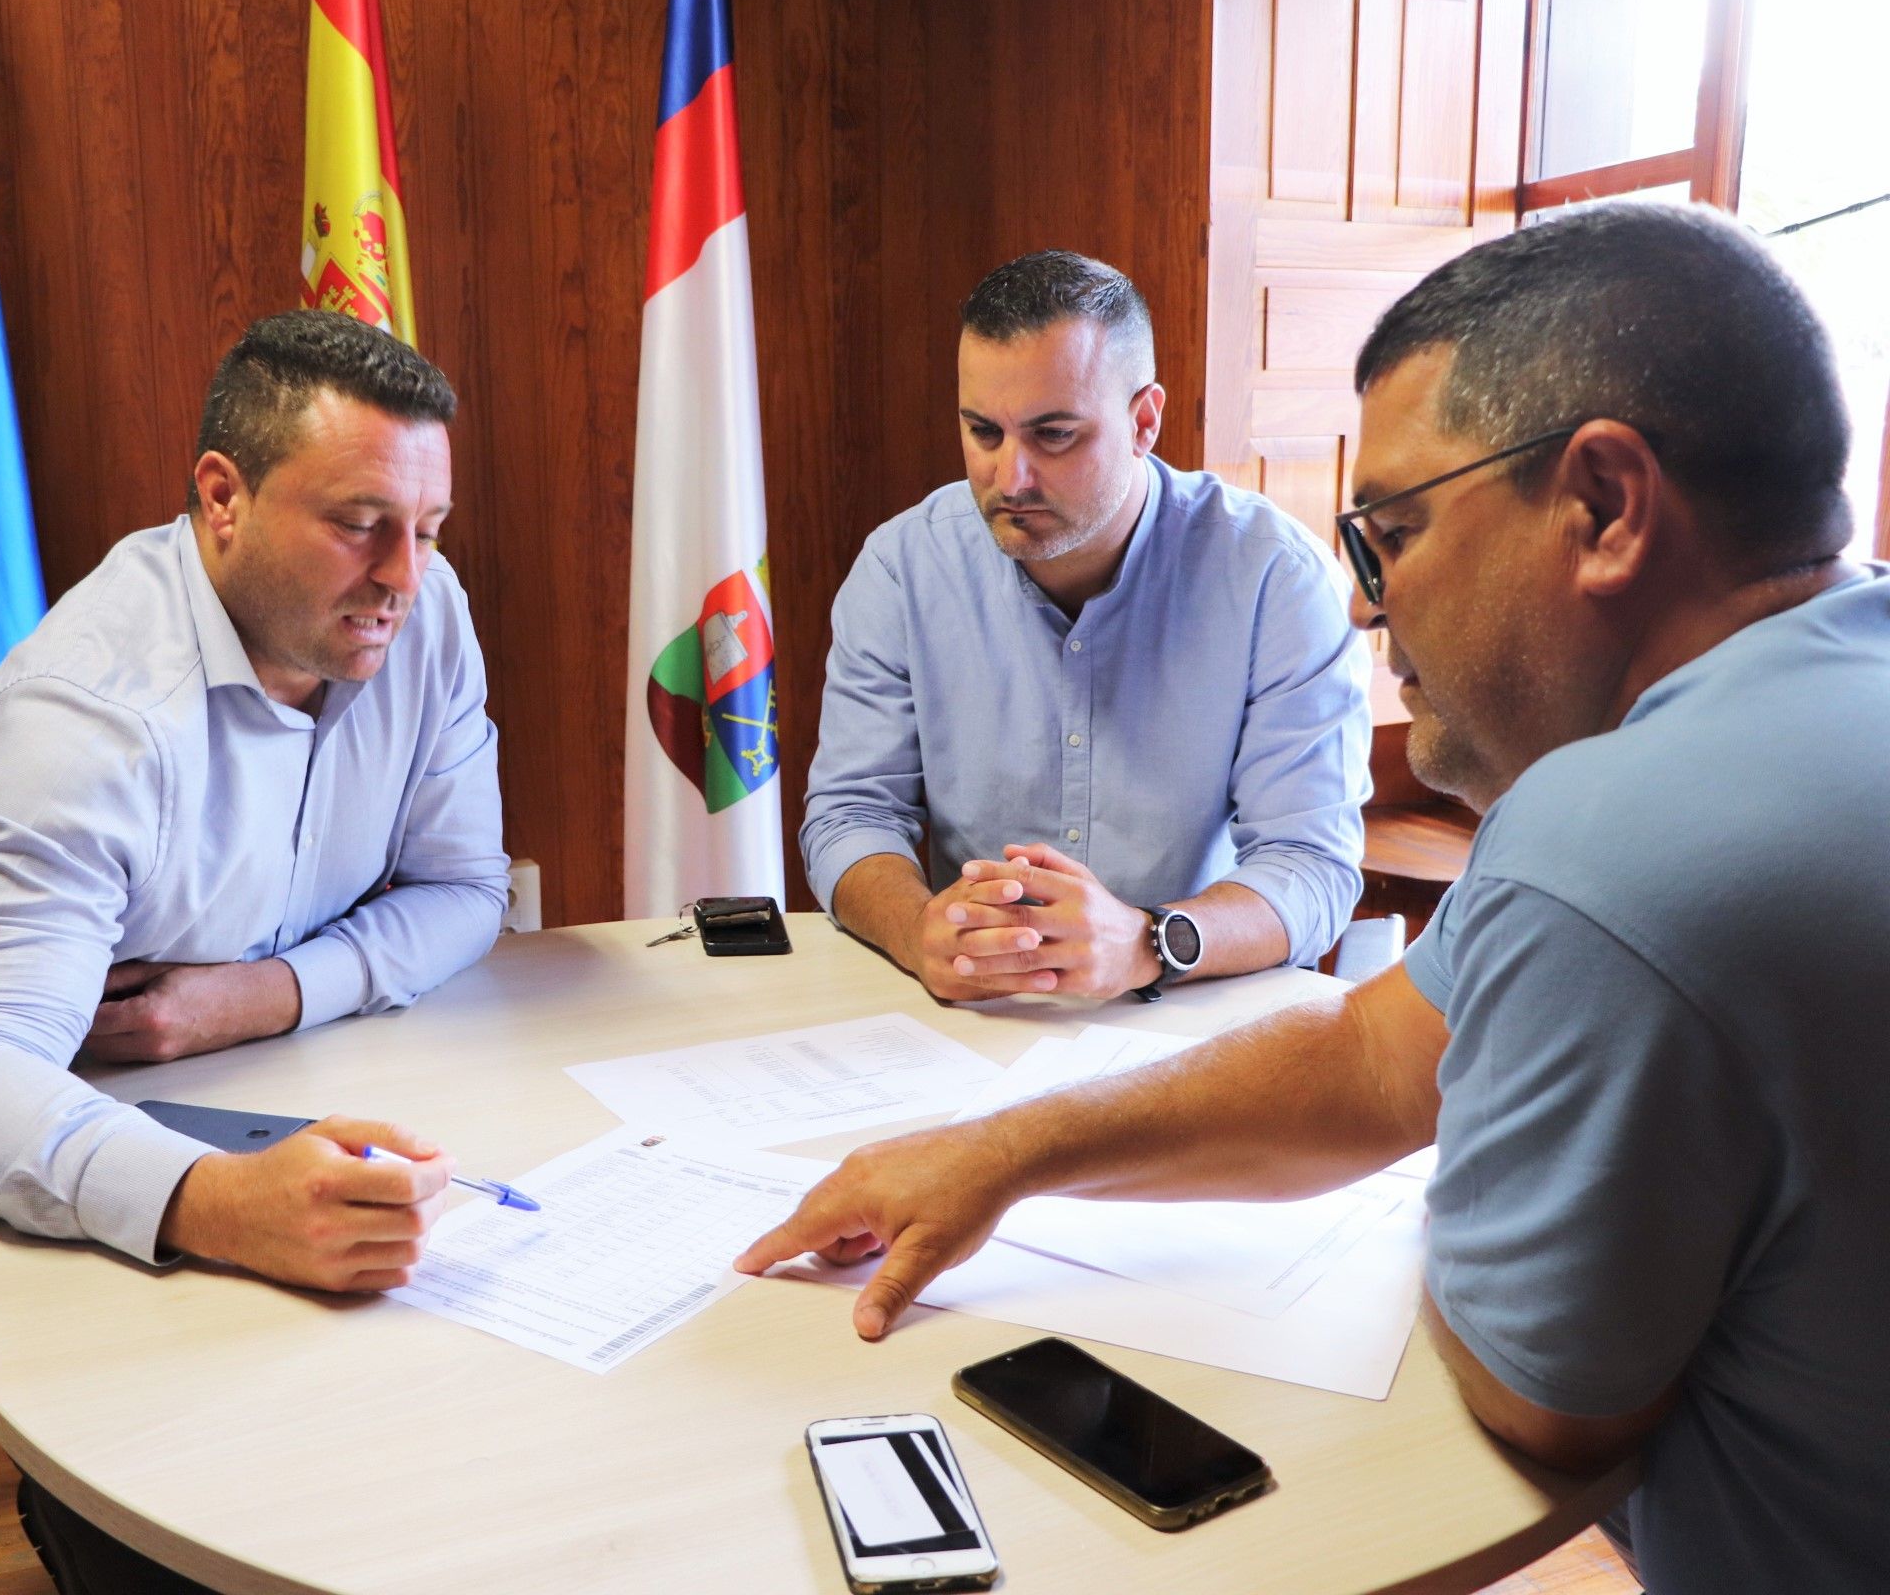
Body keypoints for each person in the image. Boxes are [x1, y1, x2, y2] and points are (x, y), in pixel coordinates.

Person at [739, 204, 1890, 1593]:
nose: (1372, 602)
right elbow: (1373, 1055)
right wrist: (1005, 1152)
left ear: (1601, 505)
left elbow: (1546, 1393)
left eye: (1396, 527)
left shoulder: (1610, 842)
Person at [0, 310, 507, 1589]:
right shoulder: (89, 710)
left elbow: (465, 887)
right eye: (360, 522)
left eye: (430, 528)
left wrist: (259, 996)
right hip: (66, 1155)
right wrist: (212, 1202)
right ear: (221, 496)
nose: (406, 574)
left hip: (281, 1078)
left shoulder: (422, 615)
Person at [802, 251, 1368, 1007]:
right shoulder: (904, 566)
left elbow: (1313, 865)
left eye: (1054, 434)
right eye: (983, 432)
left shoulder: (1274, 578)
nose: (1011, 478)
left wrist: (1147, 941)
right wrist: (917, 931)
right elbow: (850, 814)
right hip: (978, 1013)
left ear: (1144, 421)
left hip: (1191, 1004)